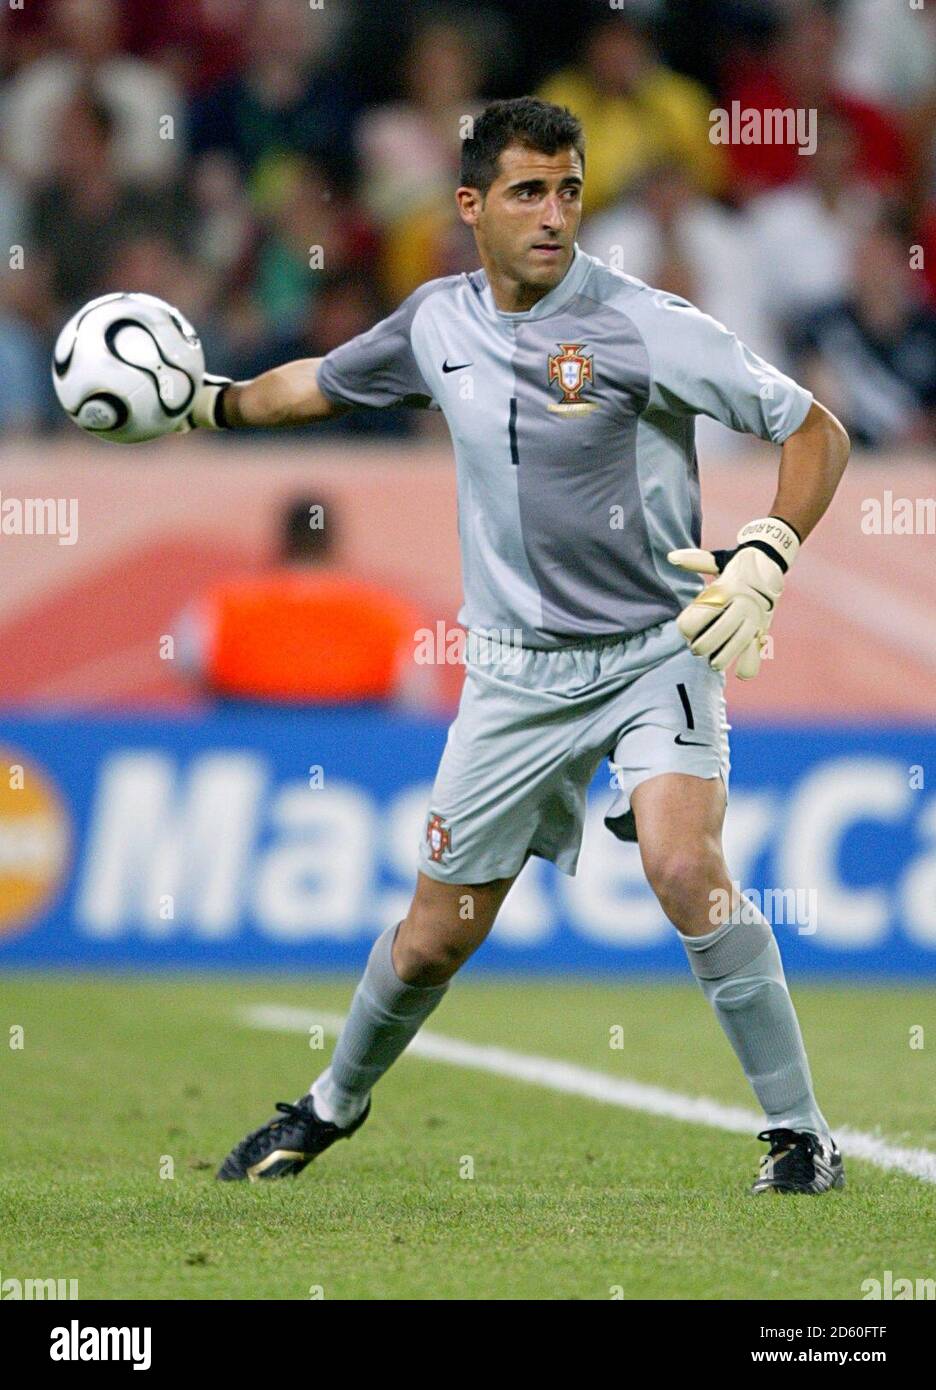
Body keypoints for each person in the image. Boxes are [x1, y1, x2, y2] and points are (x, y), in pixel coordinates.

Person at [180, 97, 850, 1196]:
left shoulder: (643, 323)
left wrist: (767, 551)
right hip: (513, 675)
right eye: (528, 192)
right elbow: (307, 387)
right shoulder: (435, 323)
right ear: (471, 206)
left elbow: (813, 428)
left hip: (653, 648)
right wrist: (207, 405)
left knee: (685, 866)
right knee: (434, 939)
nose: (554, 214)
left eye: (570, 190)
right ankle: (327, 1106)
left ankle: (799, 1133)